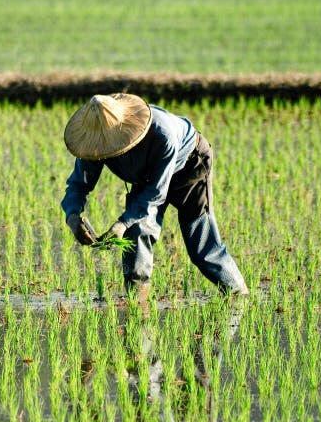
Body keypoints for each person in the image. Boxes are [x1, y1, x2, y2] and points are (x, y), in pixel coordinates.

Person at [61, 93, 248, 304]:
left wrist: (122, 223)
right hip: (145, 174)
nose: (106, 149)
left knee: (199, 241)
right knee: (137, 232)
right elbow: (79, 183)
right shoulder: (96, 142)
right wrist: (73, 215)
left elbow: (156, 193)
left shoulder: (162, 135)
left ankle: (237, 295)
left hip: (189, 166)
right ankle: (137, 301)